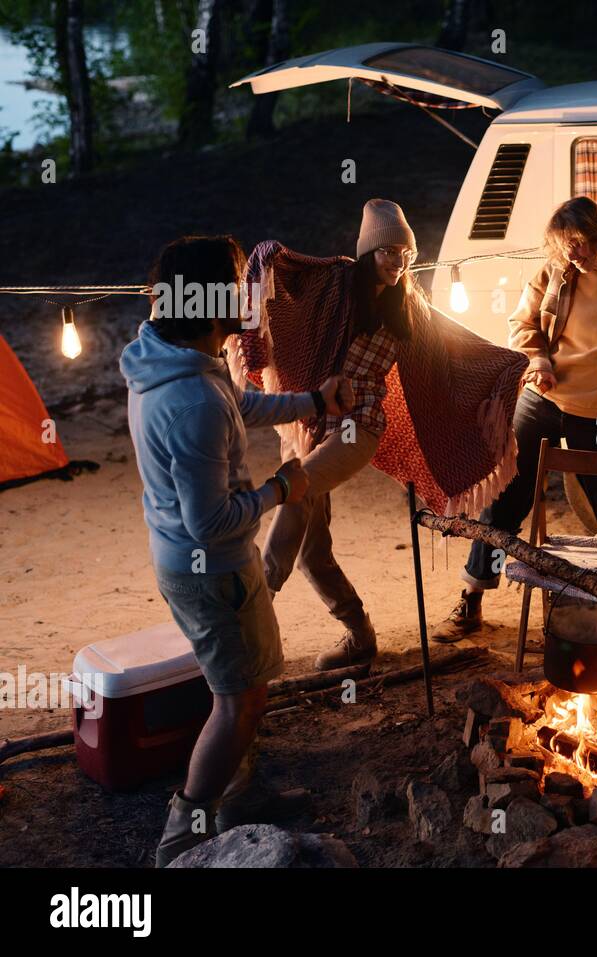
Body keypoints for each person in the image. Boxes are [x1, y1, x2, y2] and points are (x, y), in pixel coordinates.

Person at [121, 235, 352, 866]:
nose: (249, 290)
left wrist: (311, 401)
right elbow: (211, 523)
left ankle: (238, 800)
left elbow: (238, 402)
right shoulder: (190, 401)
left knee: (240, 690)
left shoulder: (172, 359)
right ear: (213, 301)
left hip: (196, 565)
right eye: (236, 280)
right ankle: (183, 834)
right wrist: (283, 487)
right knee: (237, 702)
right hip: (210, 572)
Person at [431, 196, 597, 640]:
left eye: (576, 244)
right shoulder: (555, 272)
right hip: (544, 398)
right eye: (562, 246)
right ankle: (473, 597)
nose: (570, 254)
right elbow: (522, 324)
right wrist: (537, 357)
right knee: (505, 498)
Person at [244, 199, 416, 671]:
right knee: (313, 553)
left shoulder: (407, 306)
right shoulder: (340, 283)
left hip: (357, 428)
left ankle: (255, 607)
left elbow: (449, 355)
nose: (397, 263)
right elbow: (292, 273)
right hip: (308, 423)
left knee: (296, 488)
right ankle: (359, 634)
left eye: (405, 254)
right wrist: (266, 256)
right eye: (388, 252)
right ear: (367, 252)